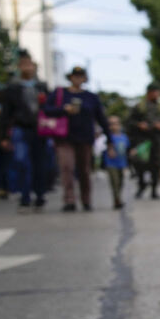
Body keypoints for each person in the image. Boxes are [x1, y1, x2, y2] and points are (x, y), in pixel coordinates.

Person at [46, 67, 112, 211]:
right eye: (75, 76)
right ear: (70, 77)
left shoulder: (91, 97)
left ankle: (86, 199)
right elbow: (46, 110)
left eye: (80, 76)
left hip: (85, 138)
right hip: (64, 137)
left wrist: (110, 138)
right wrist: (64, 109)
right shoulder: (60, 93)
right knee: (67, 167)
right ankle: (69, 200)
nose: (77, 79)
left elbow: (101, 118)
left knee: (84, 170)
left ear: (84, 78)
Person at [0, 52, 52, 210]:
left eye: (30, 65)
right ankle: (25, 195)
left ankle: (40, 194)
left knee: (40, 163)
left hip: (40, 129)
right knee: (22, 161)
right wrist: (3, 136)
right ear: (19, 67)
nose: (28, 68)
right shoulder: (13, 87)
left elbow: (50, 109)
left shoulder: (41, 86)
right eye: (24, 65)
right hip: (21, 128)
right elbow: (5, 112)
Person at [127, 83, 160, 200]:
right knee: (140, 163)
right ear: (148, 92)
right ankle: (142, 185)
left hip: (157, 138)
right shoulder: (140, 106)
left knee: (157, 164)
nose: (156, 94)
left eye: (158, 92)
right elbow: (129, 121)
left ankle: (154, 189)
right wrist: (139, 125)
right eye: (154, 92)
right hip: (142, 138)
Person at [102, 120, 129, 208]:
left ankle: (118, 198)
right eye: (112, 124)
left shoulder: (124, 137)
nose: (114, 126)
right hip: (111, 163)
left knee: (120, 182)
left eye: (116, 124)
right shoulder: (107, 137)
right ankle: (117, 200)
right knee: (115, 182)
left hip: (121, 163)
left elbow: (127, 148)